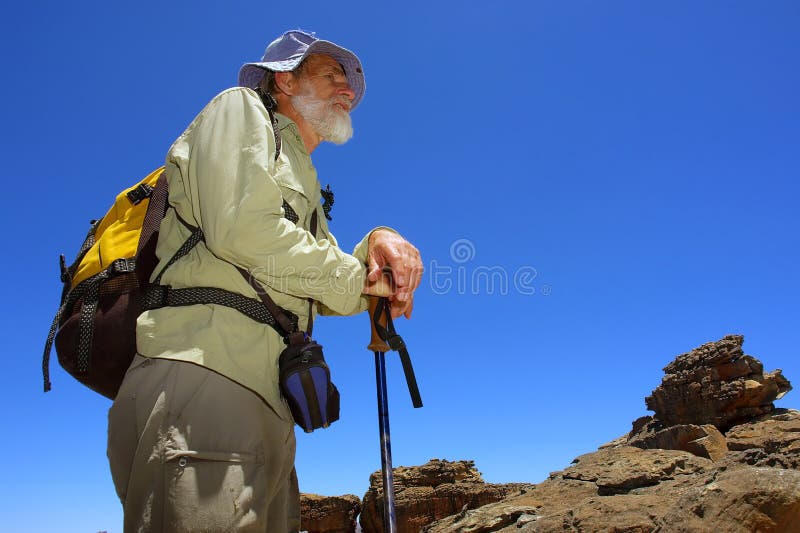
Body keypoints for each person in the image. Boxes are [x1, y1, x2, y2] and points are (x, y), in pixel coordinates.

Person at [106, 30, 423, 532]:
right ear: (285, 81)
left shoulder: (305, 177)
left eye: (349, 82)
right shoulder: (240, 108)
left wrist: (377, 242)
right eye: (331, 74)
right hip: (206, 378)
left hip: (270, 400)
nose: (347, 89)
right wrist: (365, 283)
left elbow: (317, 281)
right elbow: (243, 230)